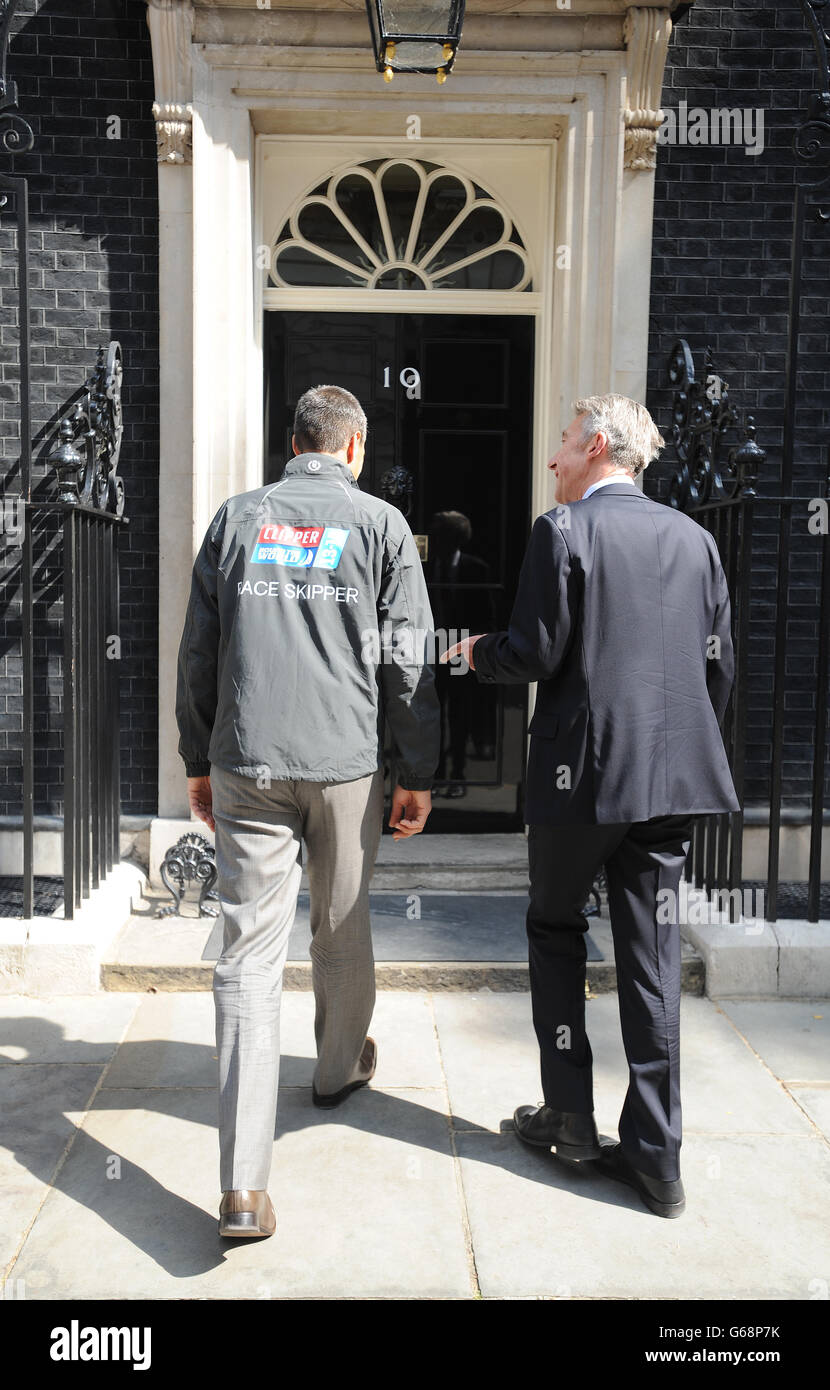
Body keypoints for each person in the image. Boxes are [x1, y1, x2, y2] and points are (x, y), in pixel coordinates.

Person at [443, 394, 738, 1218]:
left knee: (556, 931)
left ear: (599, 446)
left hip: (583, 780)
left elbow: (536, 651)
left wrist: (477, 653)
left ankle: (570, 1117)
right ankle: (657, 1158)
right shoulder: (696, 539)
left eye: (566, 446)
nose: (554, 462)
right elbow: (719, 668)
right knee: (651, 960)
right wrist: (681, 747)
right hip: (669, 780)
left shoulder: (561, 531)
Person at [176, 384, 440, 1238]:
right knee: (341, 925)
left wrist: (198, 758)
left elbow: (199, 652)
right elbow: (406, 659)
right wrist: (417, 770)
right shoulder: (381, 526)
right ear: (353, 449)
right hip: (347, 765)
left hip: (249, 757)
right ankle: (334, 1074)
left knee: (247, 956)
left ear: (294, 443)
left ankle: (243, 1188)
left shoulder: (235, 518)